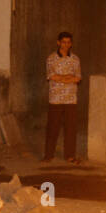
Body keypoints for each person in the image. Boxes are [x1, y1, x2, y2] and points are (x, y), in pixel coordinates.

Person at [44, 30, 82, 163]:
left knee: (70, 129)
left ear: (71, 44)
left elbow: (77, 77)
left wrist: (61, 78)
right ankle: (48, 155)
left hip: (71, 99)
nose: (66, 45)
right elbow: (51, 76)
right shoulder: (51, 58)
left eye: (68, 42)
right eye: (63, 42)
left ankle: (70, 156)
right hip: (55, 99)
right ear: (58, 42)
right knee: (53, 128)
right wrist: (67, 77)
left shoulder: (75, 59)